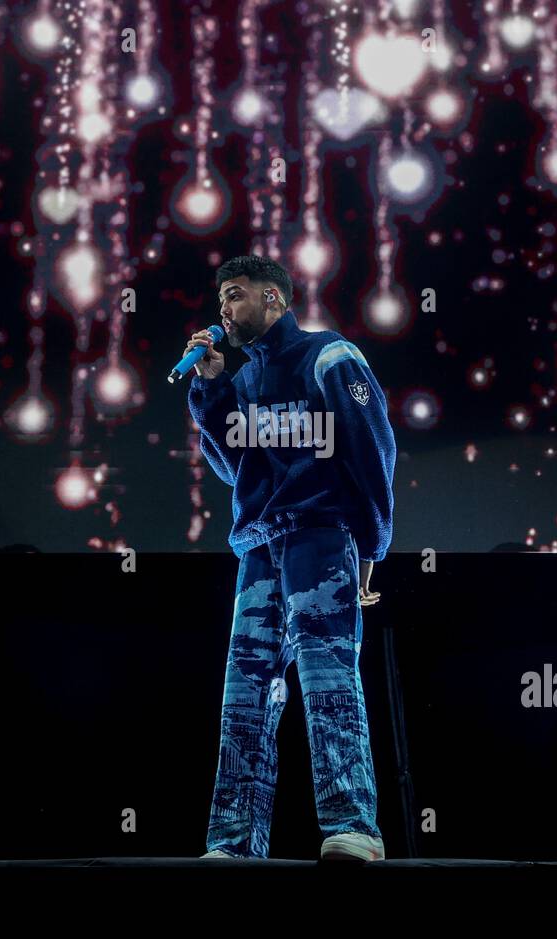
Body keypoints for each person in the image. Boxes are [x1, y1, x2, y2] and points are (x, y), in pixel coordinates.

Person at [184, 255, 396, 862]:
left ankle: (353, 827)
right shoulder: (241, 377)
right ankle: (232, 841)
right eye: (222, 297)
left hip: (321, 535)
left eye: (236, 295)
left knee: (329, 681)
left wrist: (370, 546)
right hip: (258, 545)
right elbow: (234, 468)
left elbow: (372, 450)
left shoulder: (331, 356)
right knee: (246, 694)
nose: (224, 309)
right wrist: (211, 387)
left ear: (274, 299)